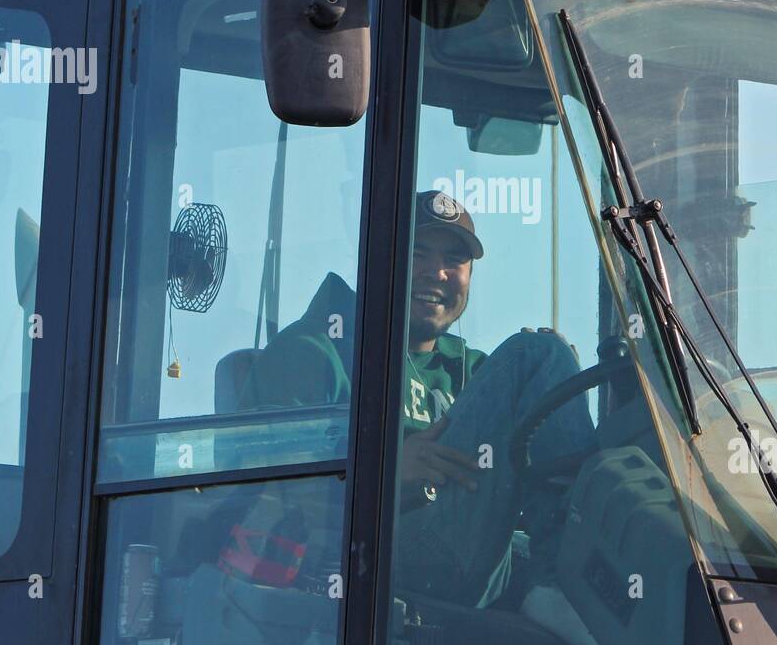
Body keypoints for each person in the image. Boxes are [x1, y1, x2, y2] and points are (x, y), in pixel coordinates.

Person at [241, 190, 597, 612]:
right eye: (418, 253)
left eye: (454, 260)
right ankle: (574, 590)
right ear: (378, 254)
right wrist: (382, 476)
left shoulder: (473, 372)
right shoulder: (315, 350)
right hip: (365, 564)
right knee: (537, 354)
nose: (438, 272)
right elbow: (271, 492)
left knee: (561, 368)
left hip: (479, 562)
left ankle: (576, 585)